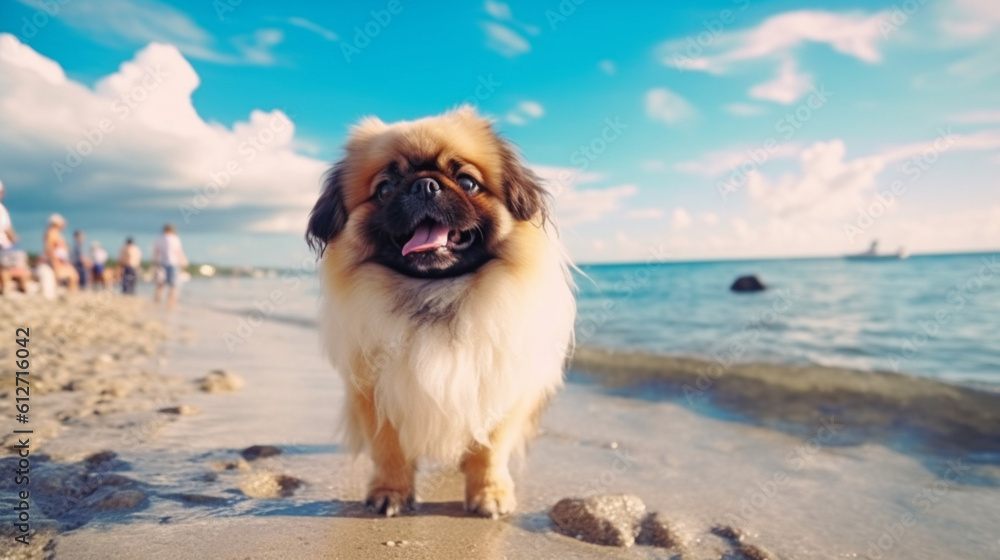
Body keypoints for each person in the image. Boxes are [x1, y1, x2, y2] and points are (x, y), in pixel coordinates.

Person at [0, 180, 30, 294]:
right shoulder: (2, 209)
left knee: (7, 268)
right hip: (4, 245)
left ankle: (8, 290)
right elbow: (6, 228)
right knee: (8, 268)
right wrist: (14, 238)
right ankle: (12, 290)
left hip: (4, 246)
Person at [152, 224, 187, 309]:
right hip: (173, 263)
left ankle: (156, 303)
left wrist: (154, 263)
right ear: (172, 230)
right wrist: (184, 261)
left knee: (160, 284)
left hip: (161, 263)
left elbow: (156, 252)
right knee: (174, 286)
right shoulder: (175, 239)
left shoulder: (160, 239)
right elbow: (178, 251)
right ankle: (170, 305)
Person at [43, 214, 78, 292]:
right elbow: (49, 249)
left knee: (72, 276)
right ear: (55, 223)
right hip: (56, 261)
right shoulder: (51, 233)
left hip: (60, 261)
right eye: (61, 222)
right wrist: (55, 263)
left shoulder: (55, 233)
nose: (64, 224)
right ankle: (70, 295)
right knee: (71, 276)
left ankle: (70, 295)